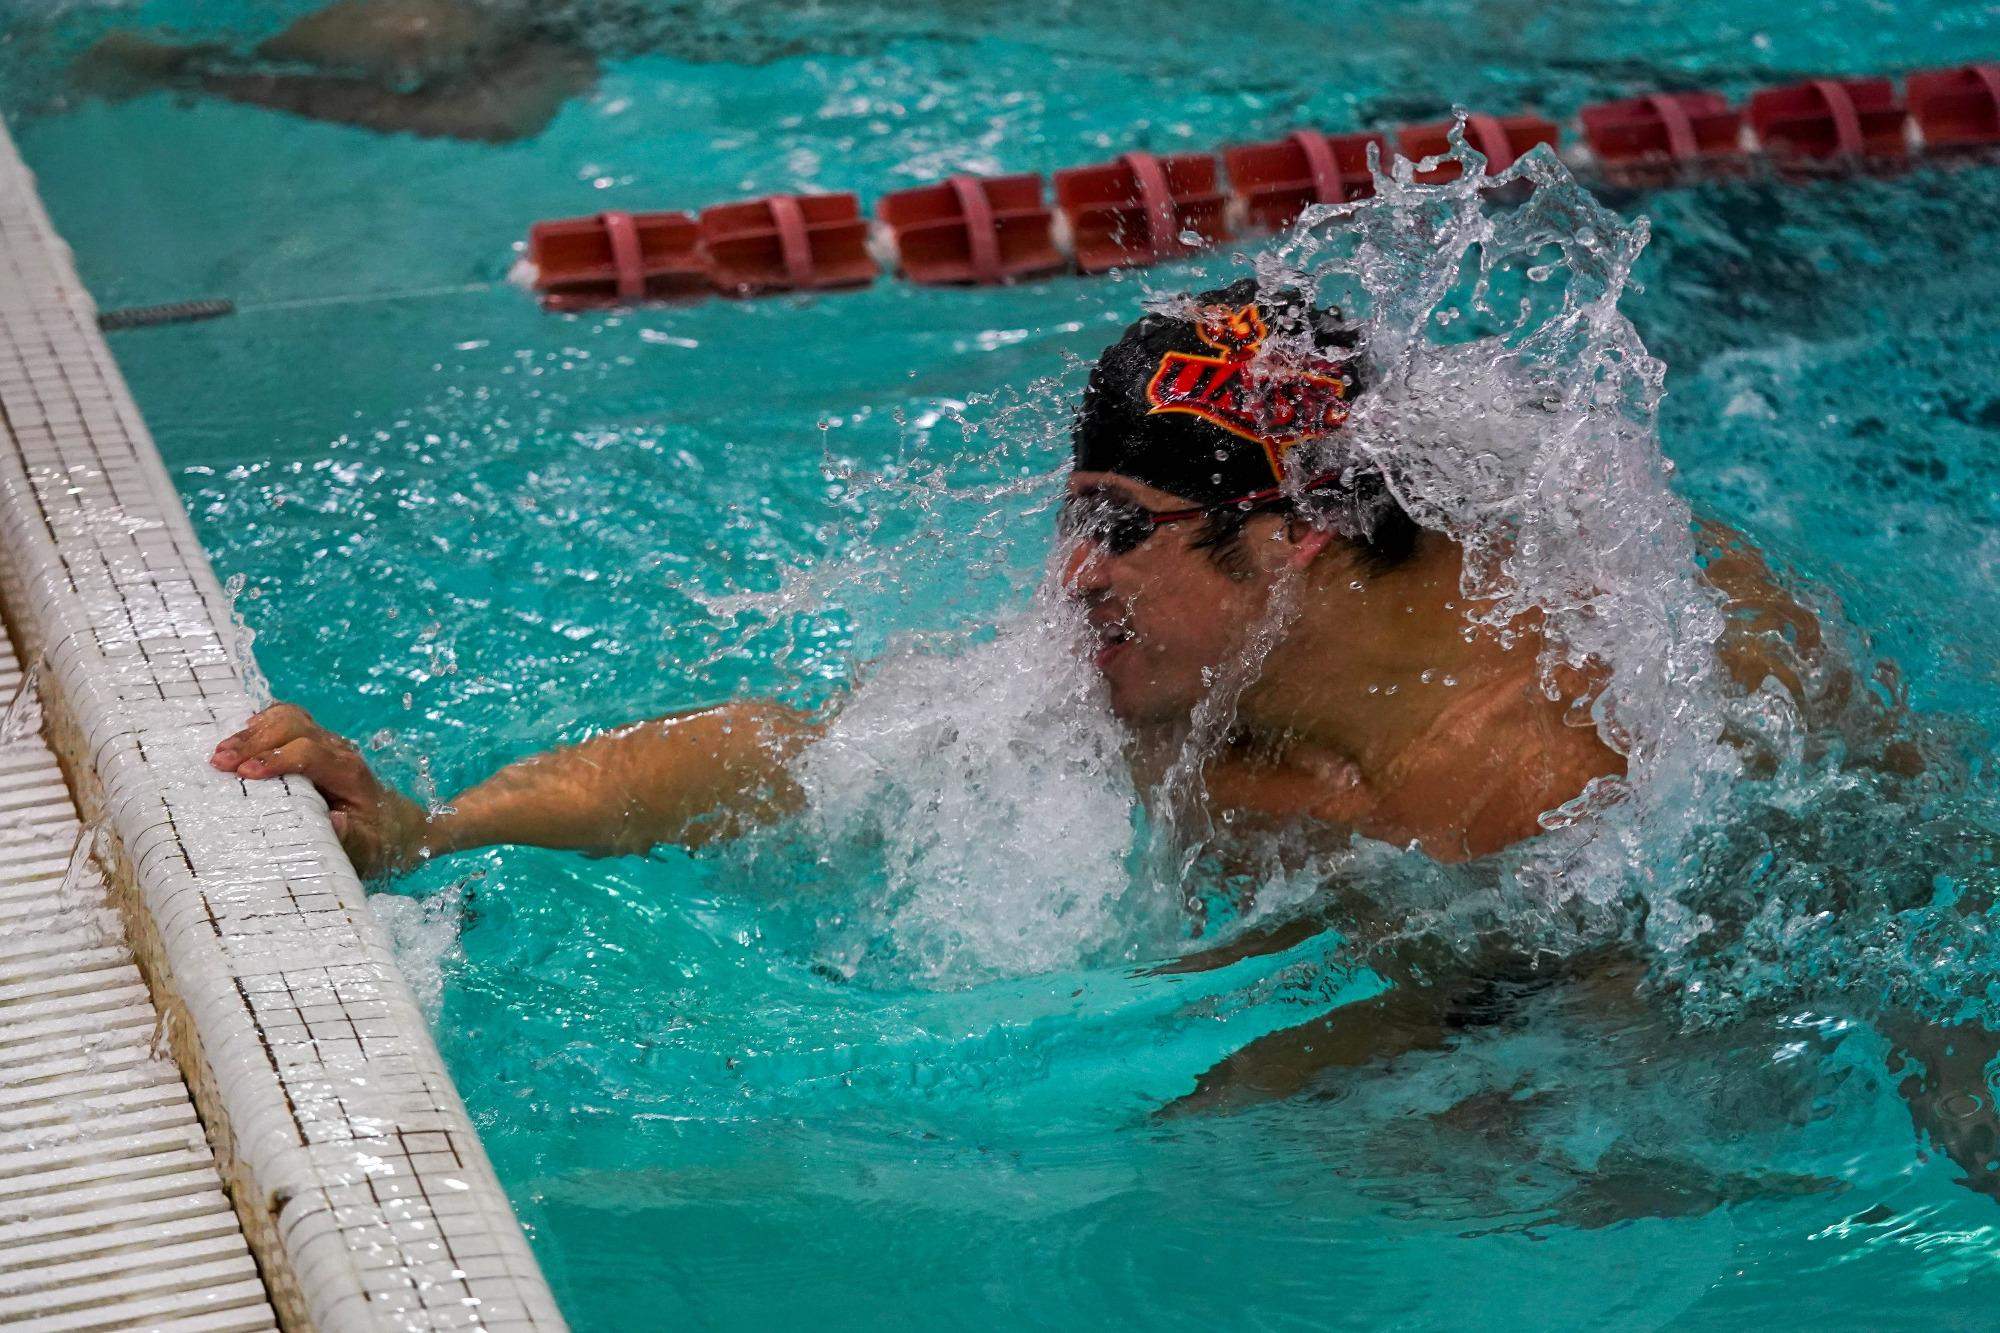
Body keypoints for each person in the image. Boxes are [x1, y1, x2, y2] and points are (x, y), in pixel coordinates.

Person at [214, 281, 1994, 1202]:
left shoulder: (1605, 689)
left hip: (1725, 936)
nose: (1071, 576)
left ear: (1287, 535)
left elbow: (1879, 867)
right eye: (1076, 513)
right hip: (1447, 947)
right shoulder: (1162, 689)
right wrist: (439, 829)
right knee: (1240, 1134)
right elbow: (790, 748)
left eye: (1121, 525)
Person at [72, 0, 597, 142]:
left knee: (502, 115)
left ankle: (174, 68)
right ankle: (136, 35)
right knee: (415, 32)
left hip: (581, 25)